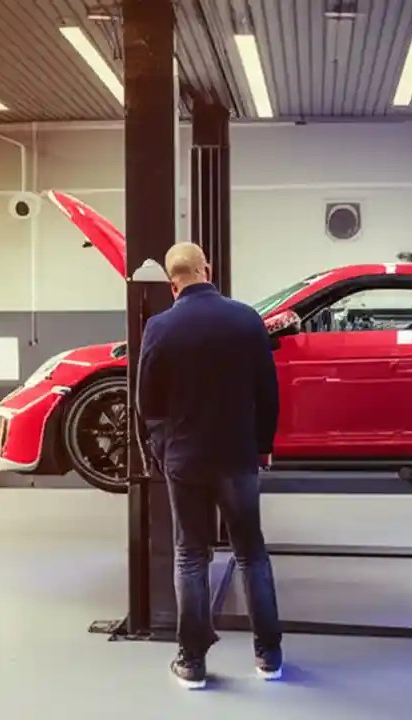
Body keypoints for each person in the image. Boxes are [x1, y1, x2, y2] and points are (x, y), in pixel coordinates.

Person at [136, 242, 282, 690]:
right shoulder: (246, 319)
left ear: (172, 283)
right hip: (237, 455)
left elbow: (147, 402)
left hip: (185, 458)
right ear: (208, 270)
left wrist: (163, 450)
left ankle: (192, 663)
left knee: (190, 555)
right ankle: (269, 657)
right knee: (251, 553)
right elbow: (267, 390)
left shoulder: (160, 327)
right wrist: (263, 446)